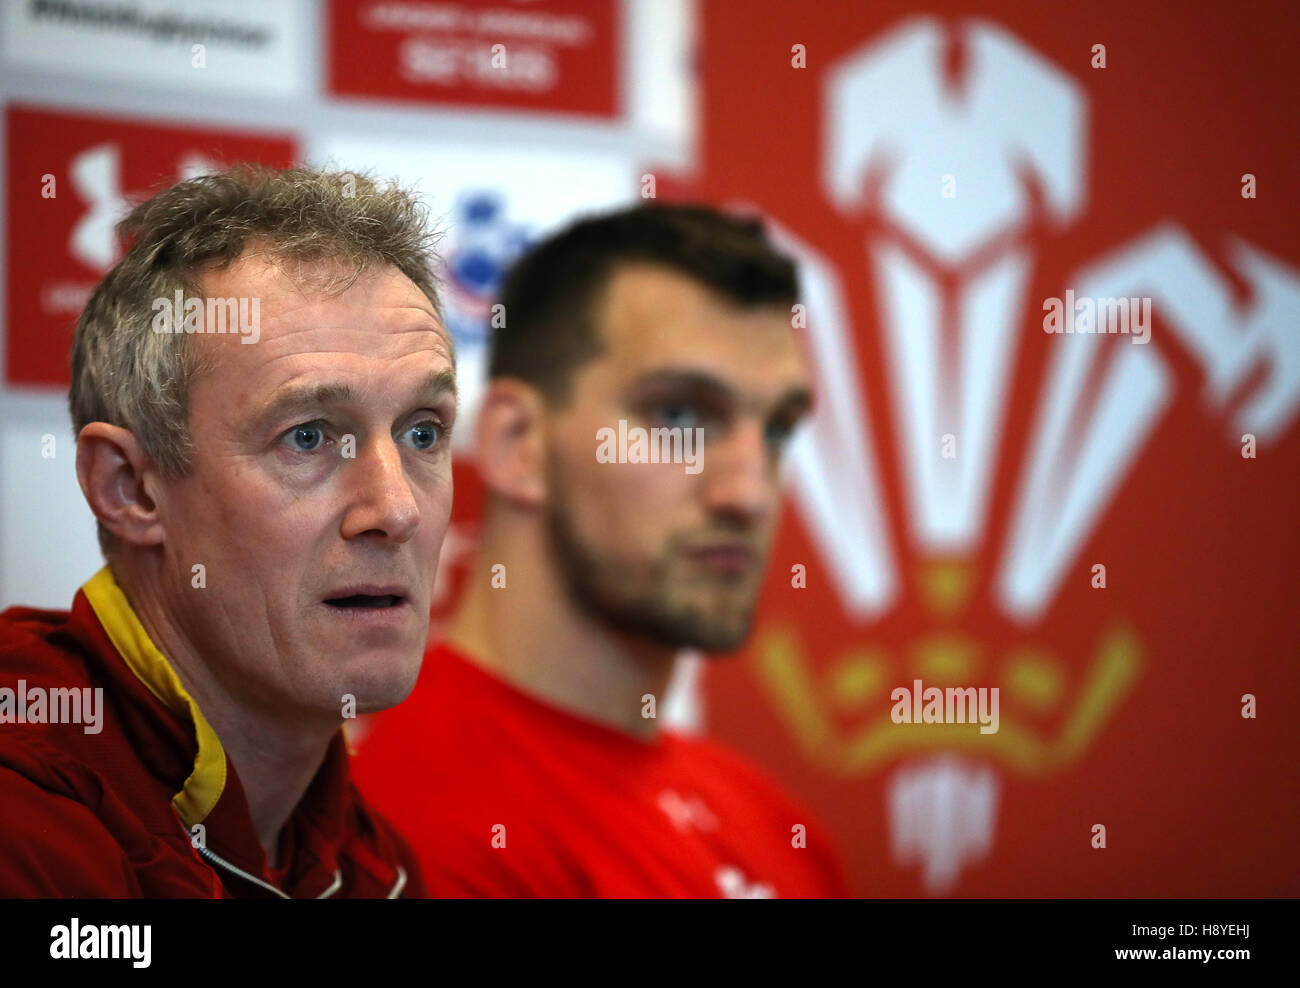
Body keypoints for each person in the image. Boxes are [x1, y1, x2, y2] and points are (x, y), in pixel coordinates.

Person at [353, 203, 850, 897]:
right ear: (517, 443)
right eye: (680, 415)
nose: (750, 494)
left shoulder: (772, 820)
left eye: (775, 430)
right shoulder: (405, 834)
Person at [0, 165, 457, 897]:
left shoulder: (372, 860)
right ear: (130, 488)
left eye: (423, 433)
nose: (397, 510)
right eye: (308, 437)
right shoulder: (23, 820)